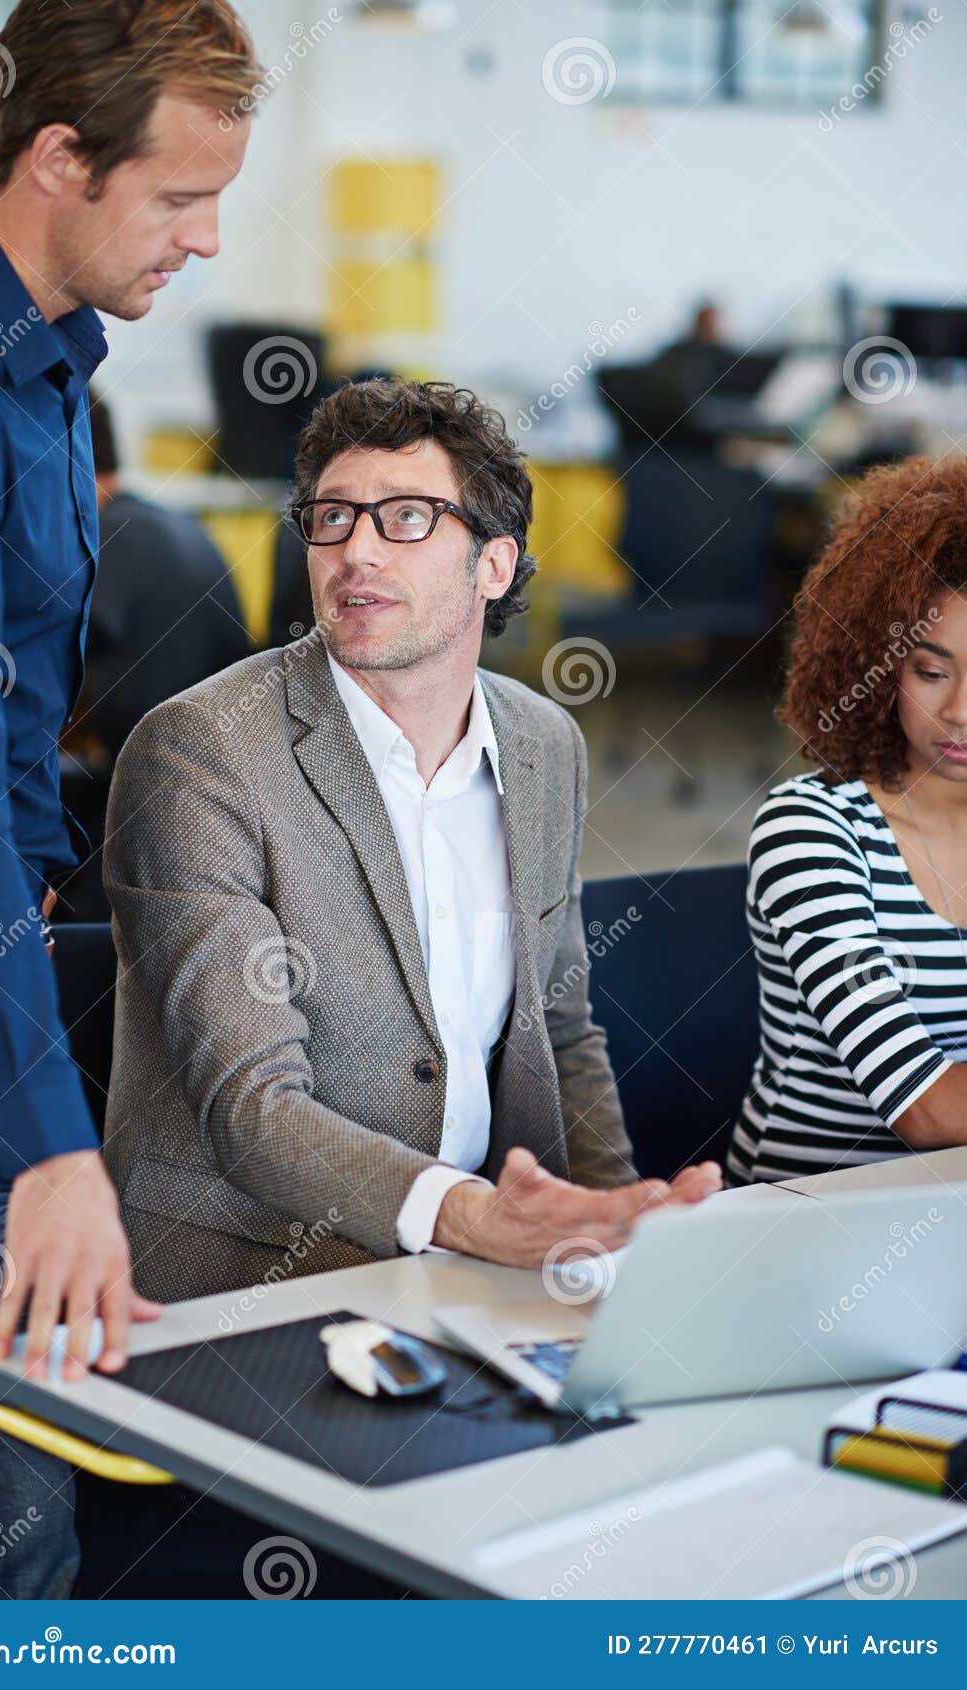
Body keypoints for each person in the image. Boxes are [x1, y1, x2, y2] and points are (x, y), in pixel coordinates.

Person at [0, 0, 262, 1599]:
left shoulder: (47, 361)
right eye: (177, 197)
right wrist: (47, 1150)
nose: (207, 236)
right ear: (58, 157)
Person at [102, 378, 721, 1306]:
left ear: (494, 565)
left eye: (404, 519)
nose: (354, 550)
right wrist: (475, 1220)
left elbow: (558, 1027)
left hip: (483, 1261)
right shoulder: (202, 752)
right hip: (258, 1271)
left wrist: (617, 1228)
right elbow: (250, 1109)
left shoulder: (544, 744)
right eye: (332, 518)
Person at [728, 455, 967, 1185]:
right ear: (876, 659)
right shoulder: (810, 831)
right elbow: (922, 1109)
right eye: (930, 672)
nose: (959, 712)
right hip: (805, 1228)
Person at [80, 391, 251, 764]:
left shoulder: (110, 537)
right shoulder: (178, 523)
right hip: (215, 763)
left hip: (162, 776)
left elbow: (48, 668)